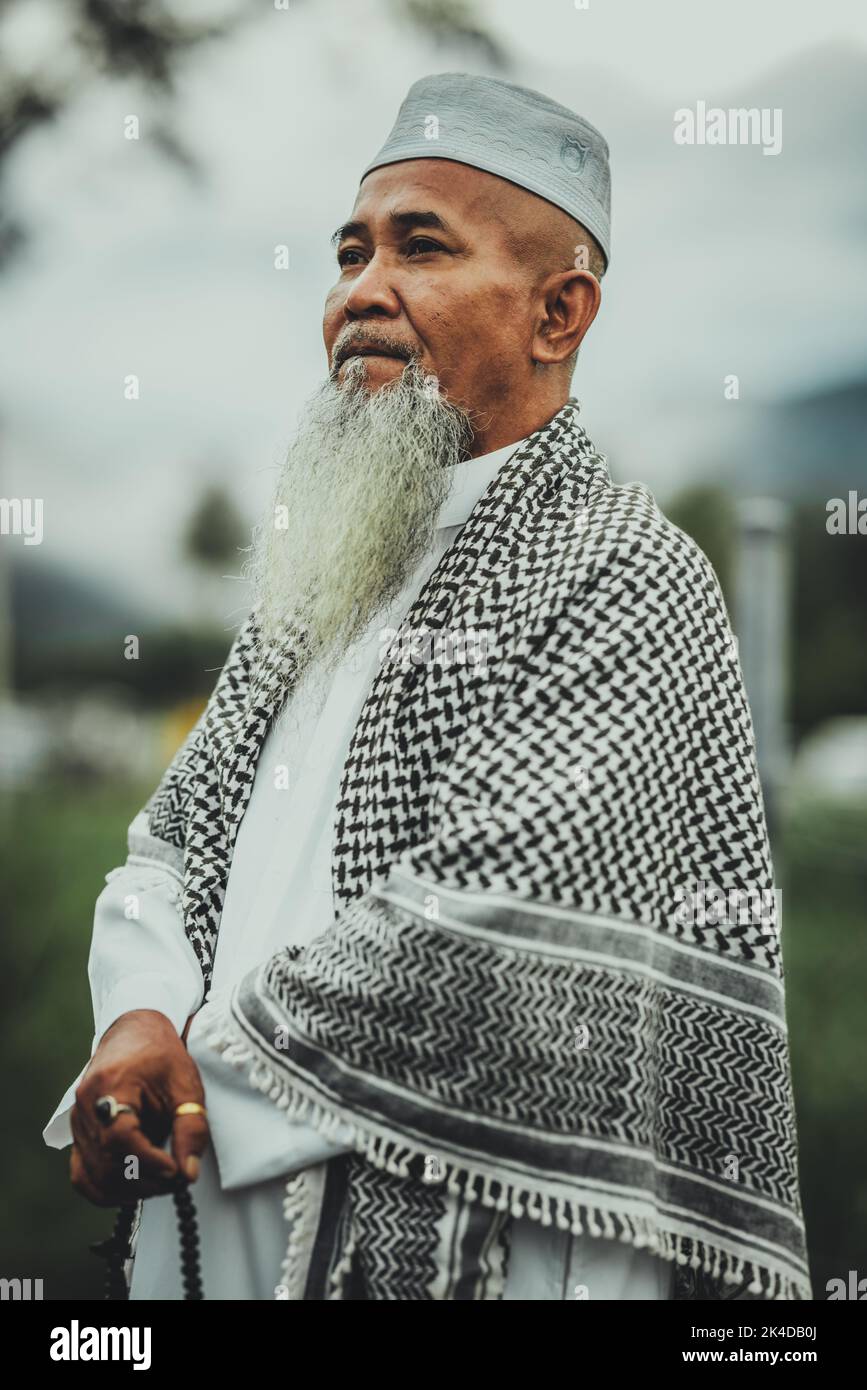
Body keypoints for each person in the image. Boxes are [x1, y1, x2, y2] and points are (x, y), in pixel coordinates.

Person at [44, 72, 810, 1302]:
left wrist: (191, 1082)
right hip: (207, 1208)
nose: (360, 291)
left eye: (420, 247)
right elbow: (170, 847)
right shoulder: (324, 572)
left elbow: (496, 926)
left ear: (559, 312)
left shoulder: (628, 574)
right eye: (350, 252)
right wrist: (135, 1020)